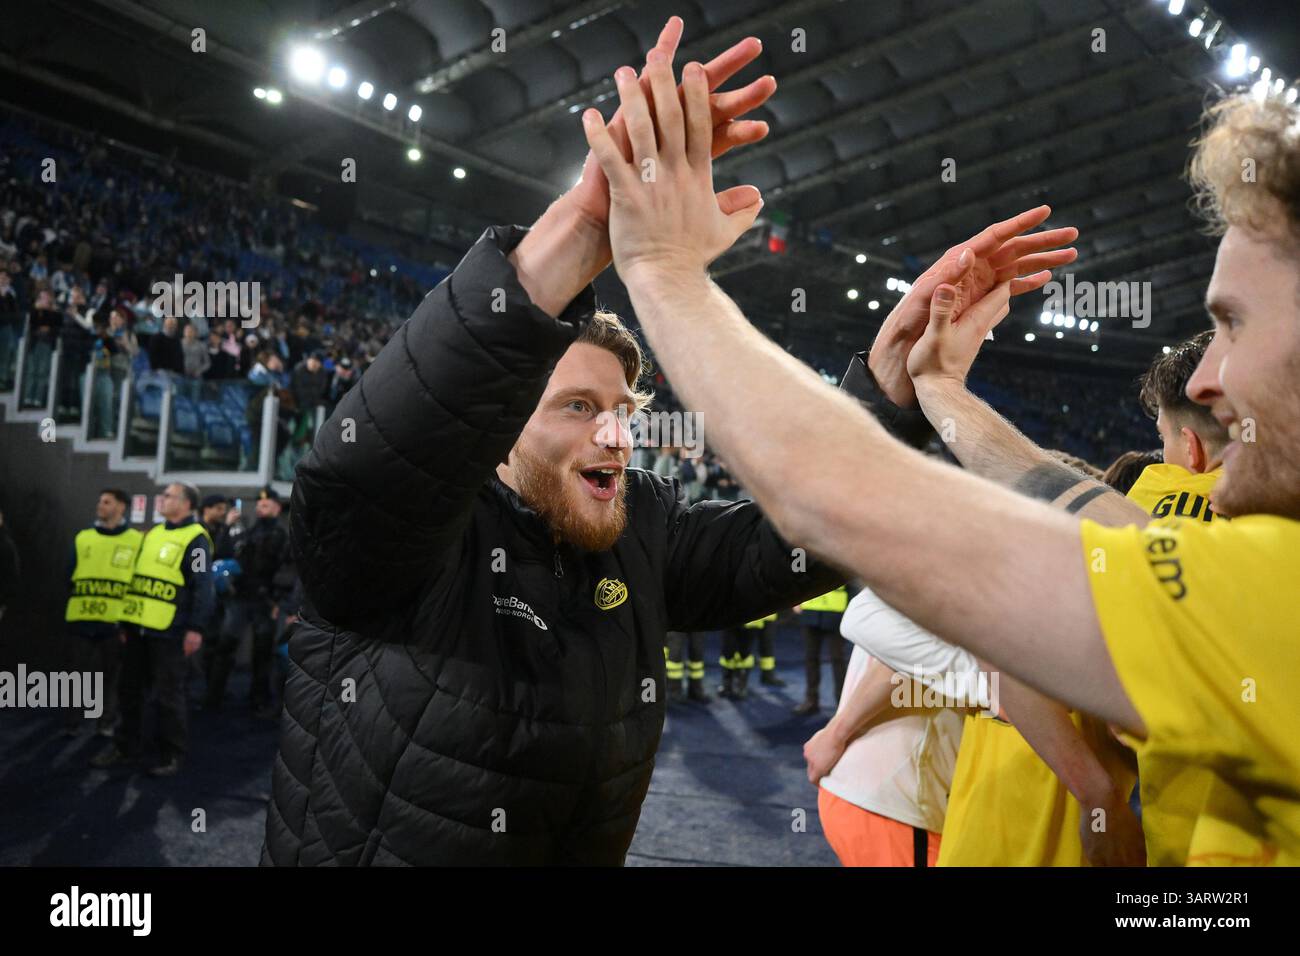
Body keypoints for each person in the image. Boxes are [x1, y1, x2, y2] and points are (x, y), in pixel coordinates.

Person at [584, 65, 1300, 864]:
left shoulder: (1277, 603)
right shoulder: (1252, 582)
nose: (1207, 377)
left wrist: (662, 271)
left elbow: (825, 493)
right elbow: (1066, 495)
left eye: (1235, 324)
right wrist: (932, 383)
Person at [259, 19, 835, 866]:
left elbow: (791, 536)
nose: (615, 430)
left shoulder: (643, 529)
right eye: (575, 405)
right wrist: (576, 238)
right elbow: (363, 480)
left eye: (624, 408)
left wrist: (894, 394)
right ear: (494, 427)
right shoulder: (413, 542)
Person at [804, 589, 964, 867]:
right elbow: (911, 655)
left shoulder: (908, 563)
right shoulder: (951, 571)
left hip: (871, 794)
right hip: (896, 803)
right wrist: (836, 734)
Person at [93, 482, 214, 776]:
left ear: (186, 504)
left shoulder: (196, 539)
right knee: (129, 690)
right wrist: (125, 621)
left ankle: (171, 754)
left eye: (170, 496)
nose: (163, 499)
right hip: (137, 628)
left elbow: (203, 587)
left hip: (170, 631)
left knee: (168, 695)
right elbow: (136, 579)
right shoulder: (153, 534)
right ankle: (126, 746)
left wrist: (195, 628)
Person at [63, 489, 143, 738]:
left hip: (115, 620)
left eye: (107, 502)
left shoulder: (135, 540)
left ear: (121, 507)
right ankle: (73, 721)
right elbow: (69, 574)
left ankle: (106, 720)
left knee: (113, 674)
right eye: (100, 501)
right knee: (76, 672)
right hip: (82, 616)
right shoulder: (83, 537)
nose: (100, 505)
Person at [206, 487, 290, 717]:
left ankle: (259, 699)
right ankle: (213, 697)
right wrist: (226, 526)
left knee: (262, 654)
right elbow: (222, 554)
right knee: (225, 647)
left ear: (277, 507)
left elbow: (284, 570)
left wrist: (278, 600)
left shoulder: (283, 536)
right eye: (260, 505)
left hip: (265, 600)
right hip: (241, 598)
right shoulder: (247, 532)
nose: (261, 507)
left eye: (266, 504)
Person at [791, 586, 848, 715]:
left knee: (837, 659)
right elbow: (799, 575)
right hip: (810, 611)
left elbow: (852, 580)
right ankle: (811, 700)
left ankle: (842, 702)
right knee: (811, 658)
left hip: (836, 613)